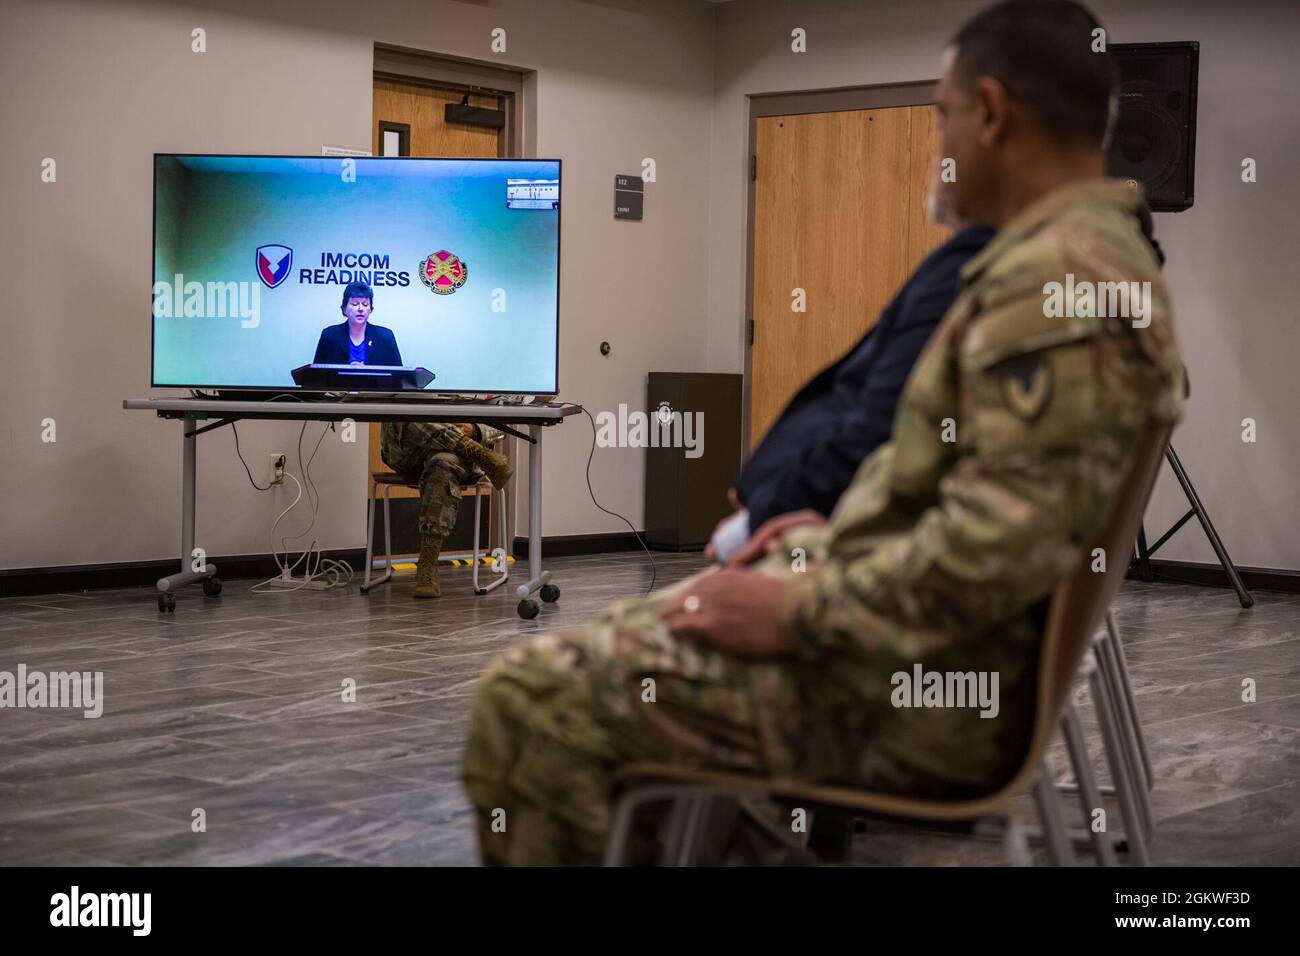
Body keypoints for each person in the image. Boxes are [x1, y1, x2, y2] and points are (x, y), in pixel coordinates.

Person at [461, 0, 1186, 865]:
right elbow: (989, 513)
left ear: (992, 113)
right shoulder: (1091, 259)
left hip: (926, 699)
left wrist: (796, 605)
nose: (940, 145)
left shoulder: (1053, 282)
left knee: (531, 700)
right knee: (631, 654)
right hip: (922, 658)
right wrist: (828, 537)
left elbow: (987, 562)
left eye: (943, 117)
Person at [709, 172, 995, 563]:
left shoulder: (967, 269)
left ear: (994, 123)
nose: (936, 164)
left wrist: (759, 517)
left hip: (843, 545)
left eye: (944, 120)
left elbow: (881, 425)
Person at [380, 419, 513, 599]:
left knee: (442, 463)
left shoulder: (477, 392)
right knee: (410, 413)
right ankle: (482, 455)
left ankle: (428, 562)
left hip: (451, 458)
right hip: (409, 452)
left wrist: (474, 430)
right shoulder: (405, 390)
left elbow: (500, 429)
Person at [313, 281, 403, 366]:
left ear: (371, 309)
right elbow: (317, 374)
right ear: (344, 309)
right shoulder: (329, 335)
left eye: (365, 304)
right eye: (355, 304)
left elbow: (399, 375)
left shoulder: (385, 336)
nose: (360, 309)